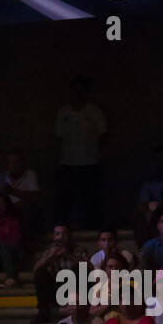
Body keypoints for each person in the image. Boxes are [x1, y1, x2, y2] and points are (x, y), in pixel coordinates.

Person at [54, 76, 107, 228]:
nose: (77, 94)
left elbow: (104, 133)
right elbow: (58, 136)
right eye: (75, 90)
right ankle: (62, 227)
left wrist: (96, 152)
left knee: (90, 196)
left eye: (81, 90)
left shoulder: (94, 111)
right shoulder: (63, 112)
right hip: (67, 161)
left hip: (90, 161)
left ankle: (94, 226)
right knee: (65, 197)